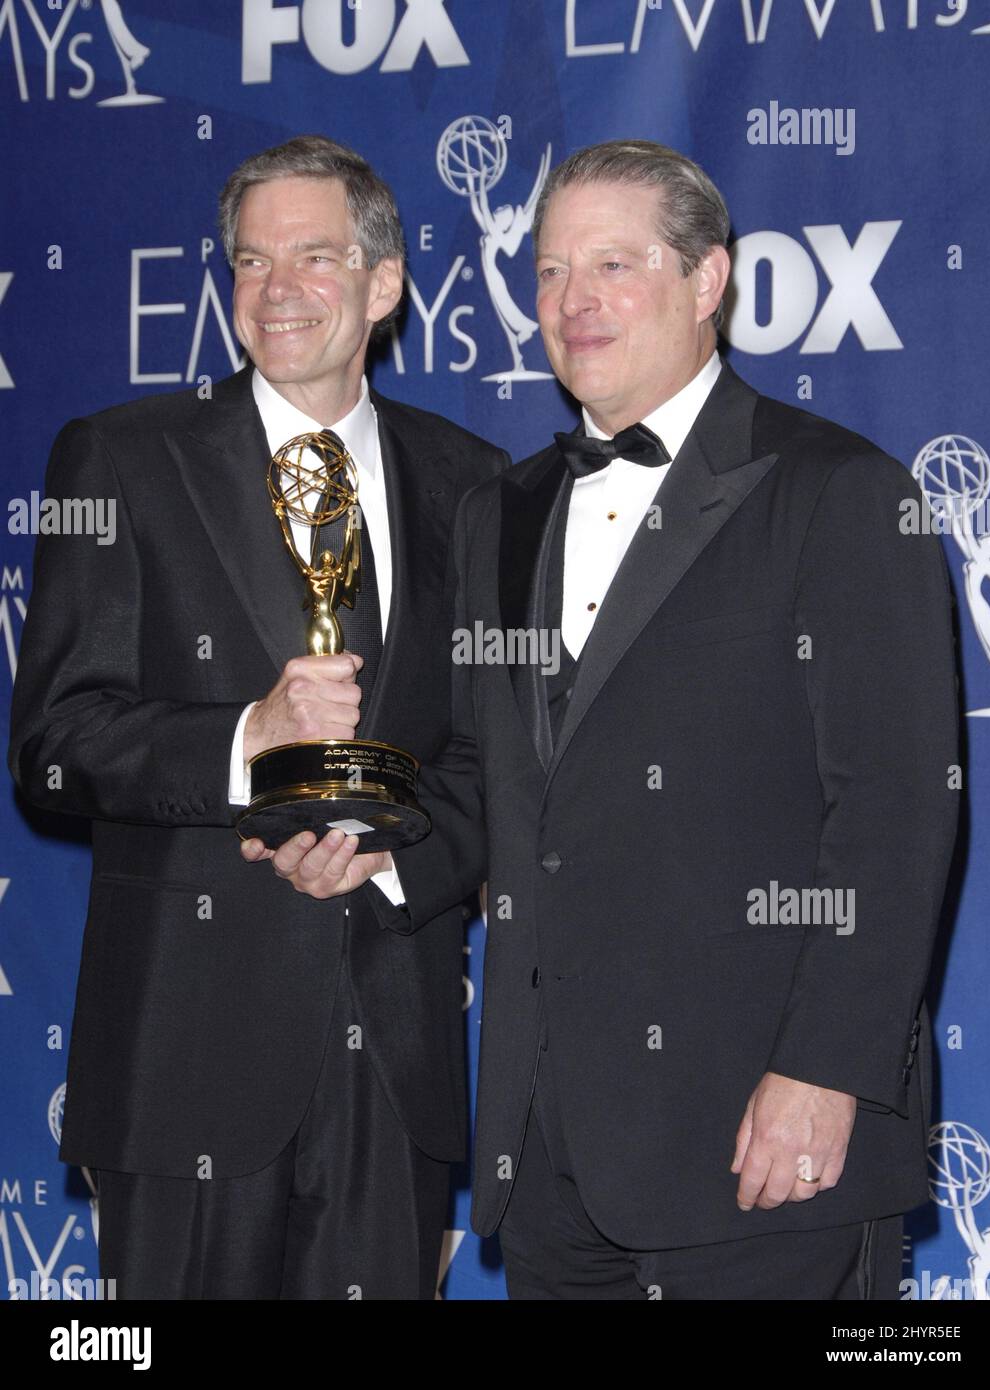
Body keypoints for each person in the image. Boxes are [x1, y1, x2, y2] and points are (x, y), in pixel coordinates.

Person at [245, 140, 960, 1300]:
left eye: (614, 266)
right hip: (551, 1157)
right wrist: (379, 850)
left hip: (762, 1148)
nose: (573, 303)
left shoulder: (839, 492)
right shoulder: (502, 512)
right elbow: (497, 773)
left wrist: (826, 1072)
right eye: (549, 271)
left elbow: (894, 816)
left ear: (708, 281)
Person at [8, 135, 508, 1300]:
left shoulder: (480, 484)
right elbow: (54, 744)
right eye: (249, 261)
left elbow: (502, 757)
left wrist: (393, 851)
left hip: (396, 1058)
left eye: (315, 257)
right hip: (184, 1050)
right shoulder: (119, 459)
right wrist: (249, 734)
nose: (277, 290)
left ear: (384, 286)